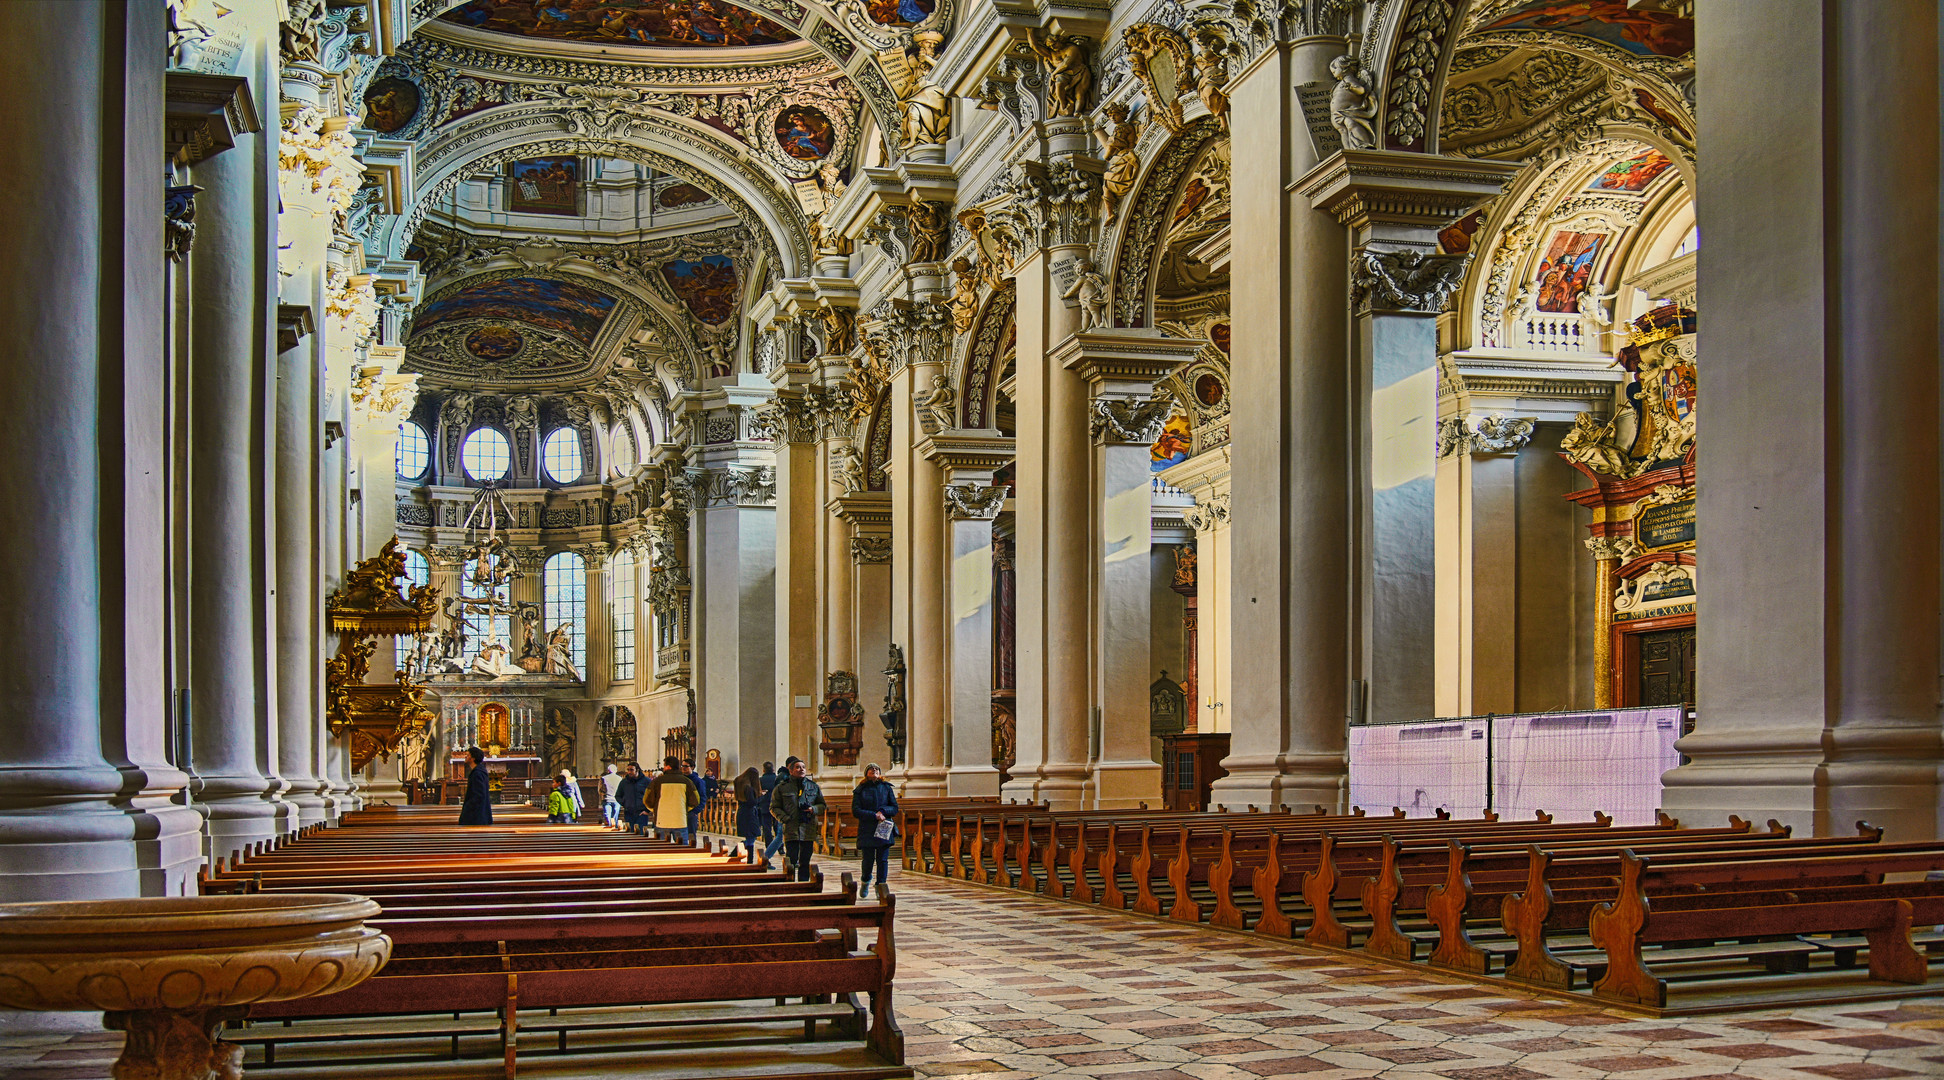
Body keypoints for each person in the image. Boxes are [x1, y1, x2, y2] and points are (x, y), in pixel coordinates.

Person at [770, 757, 825, 882]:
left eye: (803, 767)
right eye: (798, 767)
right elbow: (774, 807)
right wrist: (785, 818)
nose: (801, 769)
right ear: (791, 771)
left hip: (808, 827)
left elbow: (822, 805)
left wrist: (813, 809)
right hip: (791, 827)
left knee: (805, 860)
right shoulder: (782, 788)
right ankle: (789, 883)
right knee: (792, 859)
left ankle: (803, 884)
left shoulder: (813, 787)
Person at [851, 763, 899, 900]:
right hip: (867, 828)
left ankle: (881, 886)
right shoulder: (860, 789)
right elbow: (856, 811)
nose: (875, 771)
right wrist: (874, 815)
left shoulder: (886, 788)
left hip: (884, 827)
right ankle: (865, 881)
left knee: (882, 860)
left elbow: (894, 808)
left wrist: (883, 811)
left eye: (877, 769)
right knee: (868, 860)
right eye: (871, 770)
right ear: (866, 773)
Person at [649, 756, 701, 845]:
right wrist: (684, 810)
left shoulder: (657, 782)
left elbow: (647, 800)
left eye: (664, 766)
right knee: (682, 850)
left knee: (660, 850)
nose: (663, 768)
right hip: (680, 821)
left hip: (662, 821)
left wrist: (655, 810)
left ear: (668, 767)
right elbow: (695, 801)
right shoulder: (687, 781)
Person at [761, 757, 795, 867]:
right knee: (780, 836)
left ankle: (793, 860)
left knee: (779, 834)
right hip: (784, 810)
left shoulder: (780, 776)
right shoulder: (782, 778)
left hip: (771, 807)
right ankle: (765, 858)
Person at [733, 766, 763, 863]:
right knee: (751, 837)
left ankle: (737, 854)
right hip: (749, 814)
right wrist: (761, 797)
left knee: (750, 837)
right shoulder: (748, 788)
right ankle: (749, 860)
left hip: (743, 812)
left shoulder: (740, 784)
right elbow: (752, 802)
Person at [457, 746, 493, 826]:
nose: (466, 757)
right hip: (480, 814)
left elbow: (478, 795)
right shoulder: (479, 771)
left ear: (473, 758)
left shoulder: (477, 773)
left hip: (476, 816)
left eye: (468, 755)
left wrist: (467, 810)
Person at [615, 761, 650, 833]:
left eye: (631, 770)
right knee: (630, 834)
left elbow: (652, 796)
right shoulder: (624, 782)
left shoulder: (646, 781)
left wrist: (647, 810)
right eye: (628, 770)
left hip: (641, 812)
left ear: (637, 770)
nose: (629, 772)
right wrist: (625, 803)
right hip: (629, 812)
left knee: (641, 834)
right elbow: (618, 795)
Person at [757, 761, 780, 864]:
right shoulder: (777, 779)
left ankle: (769, 845)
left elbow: (758, 793)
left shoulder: (760, 780)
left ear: (763, 770)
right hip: (777, 806)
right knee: (777, 827)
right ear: (773, 769)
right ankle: (780, 848)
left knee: (766, 827)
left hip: (765, 806)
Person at [683, 758, 710, 840]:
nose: (683, 768)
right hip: (680, 810)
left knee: (691, 835)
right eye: (682, 766)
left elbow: (702, 797)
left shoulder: (698, 781)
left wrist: (696, 811)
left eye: (686, 766)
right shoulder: (680, 779)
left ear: (692, 767)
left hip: (691, 811)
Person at [599, 762, 624, 828]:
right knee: (615, 816)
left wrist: (603, 795)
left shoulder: (603, 778)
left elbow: (600, 789)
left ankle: (609, 828)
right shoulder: (620, 778)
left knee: (607, 815)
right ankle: (614, 829)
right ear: (616, 770)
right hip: (616, 799)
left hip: (607, 799)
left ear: (608, 770)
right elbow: (622, 789)